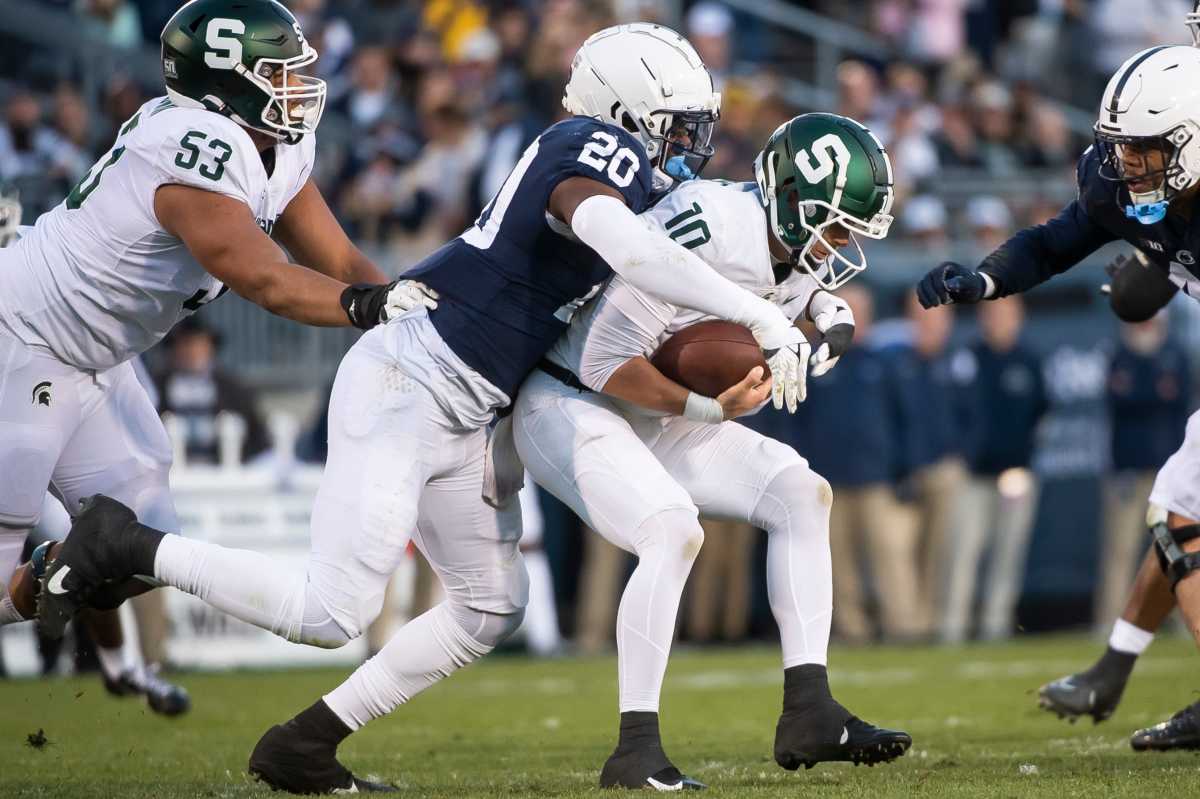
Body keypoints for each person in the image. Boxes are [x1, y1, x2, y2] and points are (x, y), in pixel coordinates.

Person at [40, 22, 814, 795]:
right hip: (414, 379)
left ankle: (304, 743)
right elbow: (632, 249)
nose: (687, 145)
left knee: (491, 605)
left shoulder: (632, 172)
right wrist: (760, 318)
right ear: (625, 111)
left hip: (470, 398)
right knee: (330, 611)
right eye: (676, 125)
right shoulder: (588, 144)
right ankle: (128, 544)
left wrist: (803, 310)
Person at [513, 113, 911, 789]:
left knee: (800, 491)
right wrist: (707, 407)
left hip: (650, 411)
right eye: (837, 226)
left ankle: (809, 709)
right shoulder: (710, 224)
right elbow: (606, 361)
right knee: (672, 530)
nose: (842, 244)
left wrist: (829, 315)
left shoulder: (788, 237)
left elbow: (792, 289)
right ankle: (635, 749)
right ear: (792, 200)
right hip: (570, 398)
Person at [916, 40, 1200, 749]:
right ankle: (1112, 668)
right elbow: (1053, 243)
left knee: (1180, 514)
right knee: (1179, 513)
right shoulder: (1120, 186)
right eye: (1121, 146)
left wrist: (1164, 267)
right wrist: (985, 280)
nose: (1126, 163)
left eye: (1145, 149)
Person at [940, 295, 1047, 643]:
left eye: (1006, 314)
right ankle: (953, 627)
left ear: (1019, 318)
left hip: (1015, 472)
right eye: (993, 314)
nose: (999, 321)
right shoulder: (968, 358)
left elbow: (1042, 411)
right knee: (964, 552)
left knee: (1008, 553)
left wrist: (1025, 455)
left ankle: (996, 625)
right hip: (973, 474)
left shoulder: (1029, 361)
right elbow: (954, 410)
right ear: (983, 318)